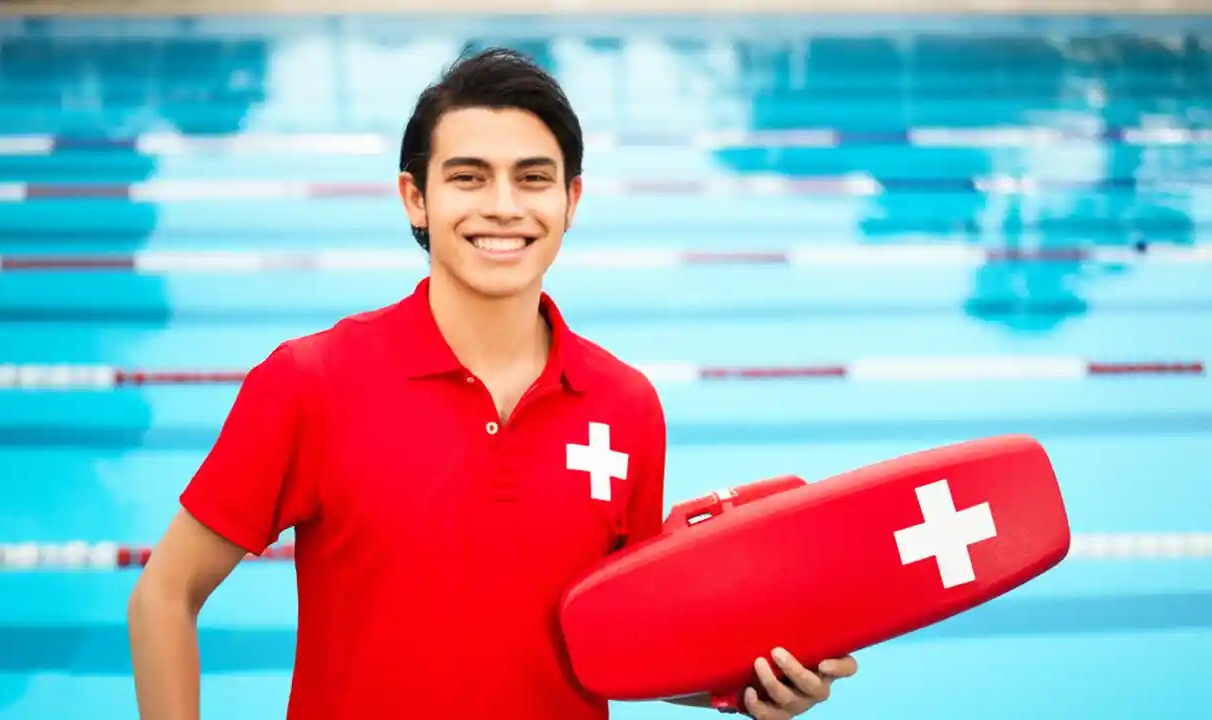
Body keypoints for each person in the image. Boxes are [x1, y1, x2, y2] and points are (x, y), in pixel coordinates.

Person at [126, 47, 857, 720]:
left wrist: (749, 688)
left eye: (532, 178)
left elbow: (623, 647)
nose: (503, 206)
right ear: (415, 199)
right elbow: (164, 594)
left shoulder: (625, 406)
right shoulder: (310, 383)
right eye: (469, 177)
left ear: (572, 200)